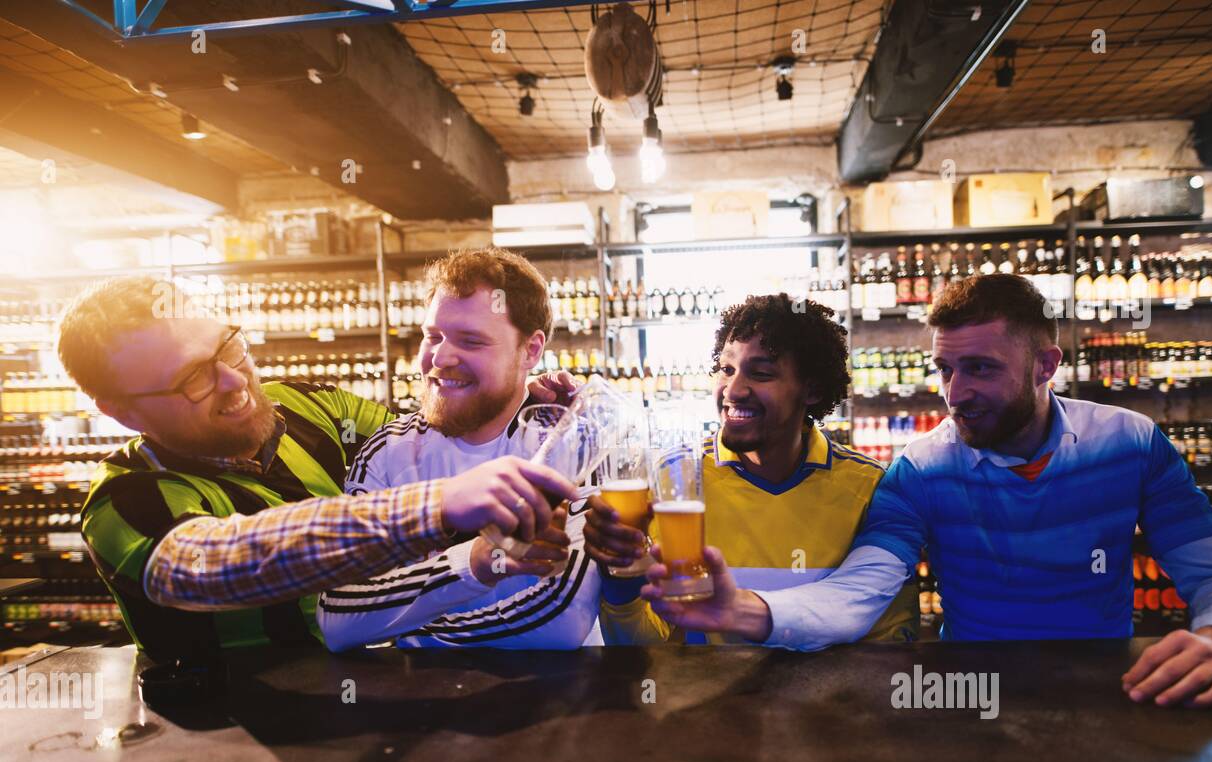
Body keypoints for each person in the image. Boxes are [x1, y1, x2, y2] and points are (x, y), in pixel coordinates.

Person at [634, 274, 1212, 707]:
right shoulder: (921, 471)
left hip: (1114, 686)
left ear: (1045, 366)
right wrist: (746, 613)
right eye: (944, 368)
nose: (956, 392)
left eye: (981, 368)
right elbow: (859, 595)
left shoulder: (1129, 443)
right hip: (970, 696)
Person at [58, 276, 576, 665]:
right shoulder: (125, 501)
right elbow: (217, 563)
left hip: (373, 693)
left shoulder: (306, 408)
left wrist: (514, 396)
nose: (233, 382)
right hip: (231, 736)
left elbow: (431, 436)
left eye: (227, 347)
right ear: (122, 412)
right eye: (193, 378)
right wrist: (437, 505)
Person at [580, 293, 917, 644]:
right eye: (727, 369)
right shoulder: (673, 478)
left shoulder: (869, 486)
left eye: (761, 373)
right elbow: (644, 647)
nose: (734, 390)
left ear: (812, 390)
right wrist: (621, 585)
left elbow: (889, 637)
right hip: (708, 695)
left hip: (829, 697)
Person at [316, 248, 601, 650]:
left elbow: (560, 620)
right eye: (432, 336)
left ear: (531, 350)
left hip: (559, 703)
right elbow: (338, 614)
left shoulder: (567, 443)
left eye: (471, 340)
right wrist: (474, 562)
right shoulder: (388, 452)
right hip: (422, 705)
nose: (441, 357)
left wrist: (410, 632)